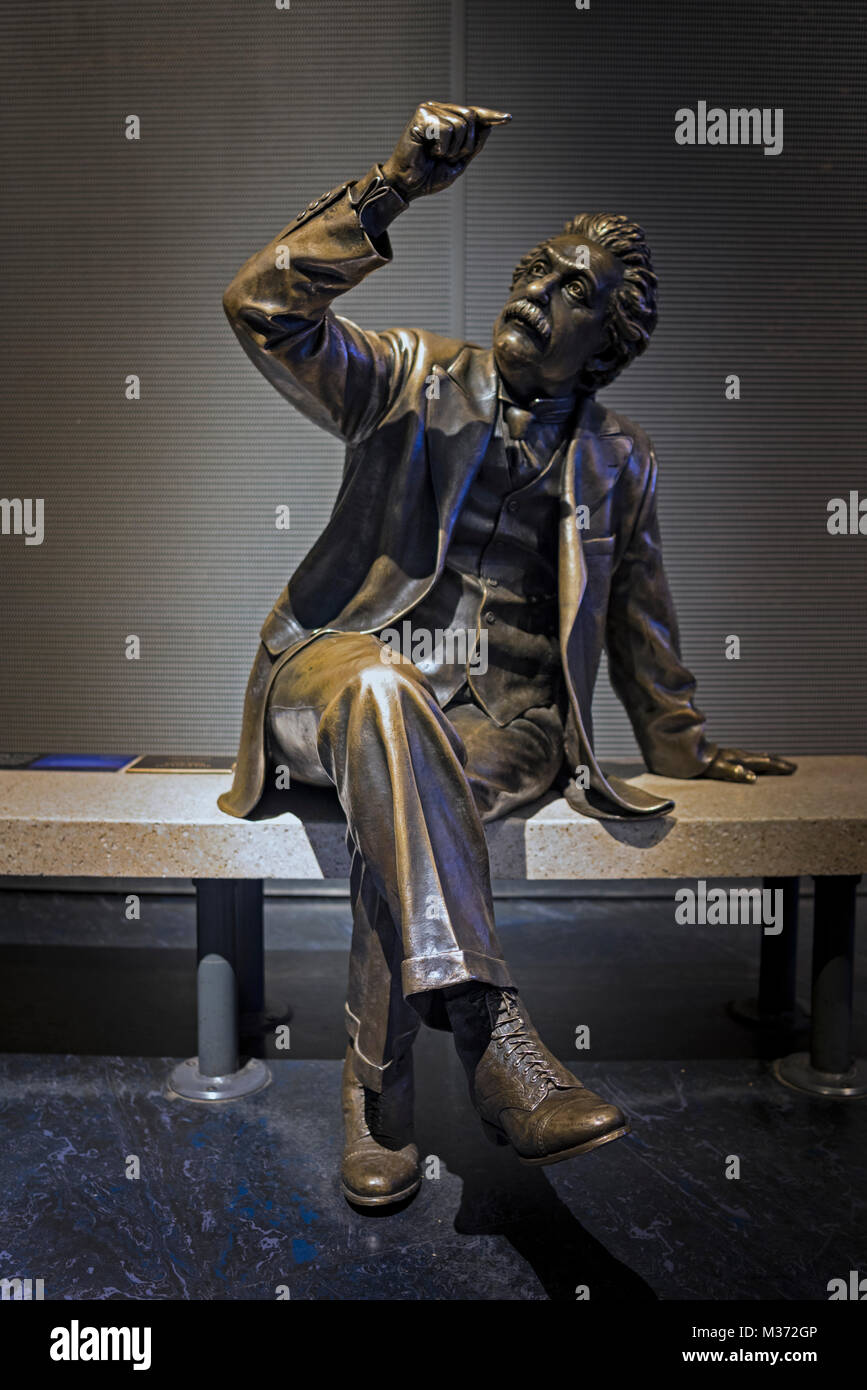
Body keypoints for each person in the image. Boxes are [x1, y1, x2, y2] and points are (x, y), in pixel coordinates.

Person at [219, 103, 795, 1207]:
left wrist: (685, 742)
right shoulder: (410, 377)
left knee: (414, 809)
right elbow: (261, 306)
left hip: (511, 728)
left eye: (571, 288)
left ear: (613, 342)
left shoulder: (625, 462)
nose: (535, 290)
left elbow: (643, 627)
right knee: (389, 698)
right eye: (534, 268)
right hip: (336, 673)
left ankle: (375, 1096)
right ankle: (489, 1034)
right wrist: (391, 188)